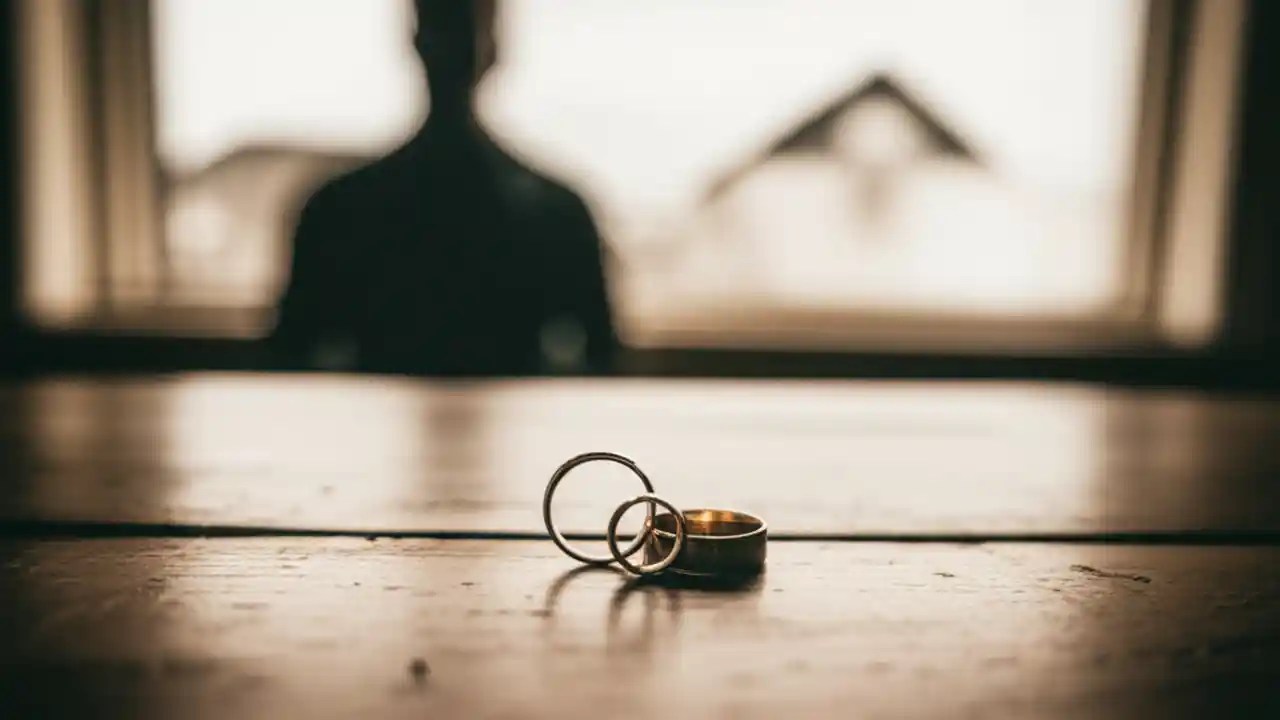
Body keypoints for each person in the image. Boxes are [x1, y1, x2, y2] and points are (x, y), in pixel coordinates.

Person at [272, 0, 615, 375]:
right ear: (495, 50)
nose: (452, 46)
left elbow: (291, 358)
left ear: (415, 42)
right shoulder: (556, 213)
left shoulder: (338, 210)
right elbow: (601, 362)